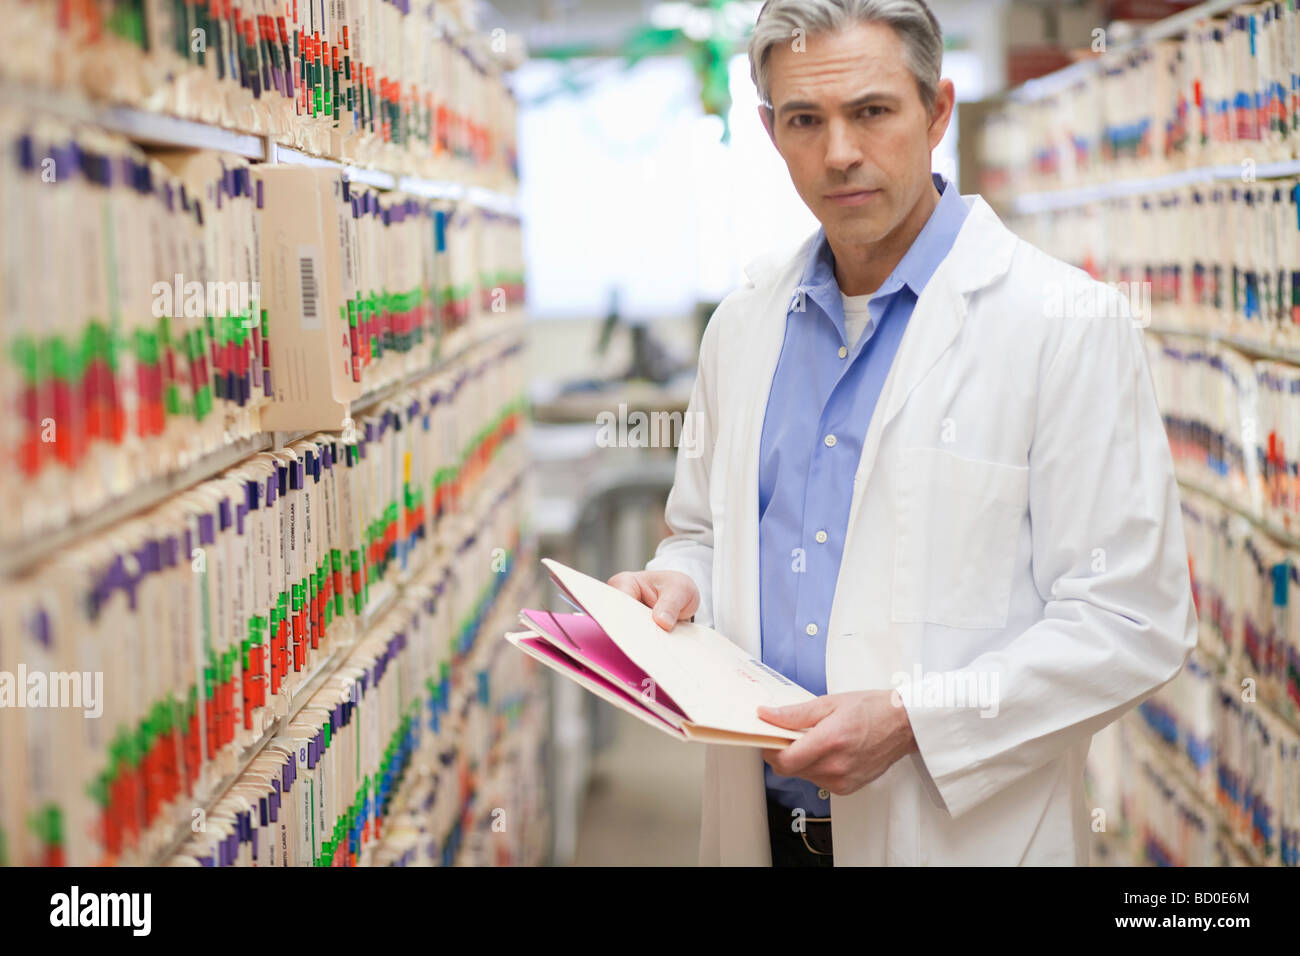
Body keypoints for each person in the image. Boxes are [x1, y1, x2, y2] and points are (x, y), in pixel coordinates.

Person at [606, 0, 1197, 866]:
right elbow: (699, 534)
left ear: (937, 111)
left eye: (872, 111)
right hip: (764, 833)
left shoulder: (1062, 323)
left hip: (959, 839)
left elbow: (1132, 620)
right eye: (805, 120)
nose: (839, 151)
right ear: (771, 131)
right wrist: (671, 586)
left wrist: (916, 721)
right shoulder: (743, 324)